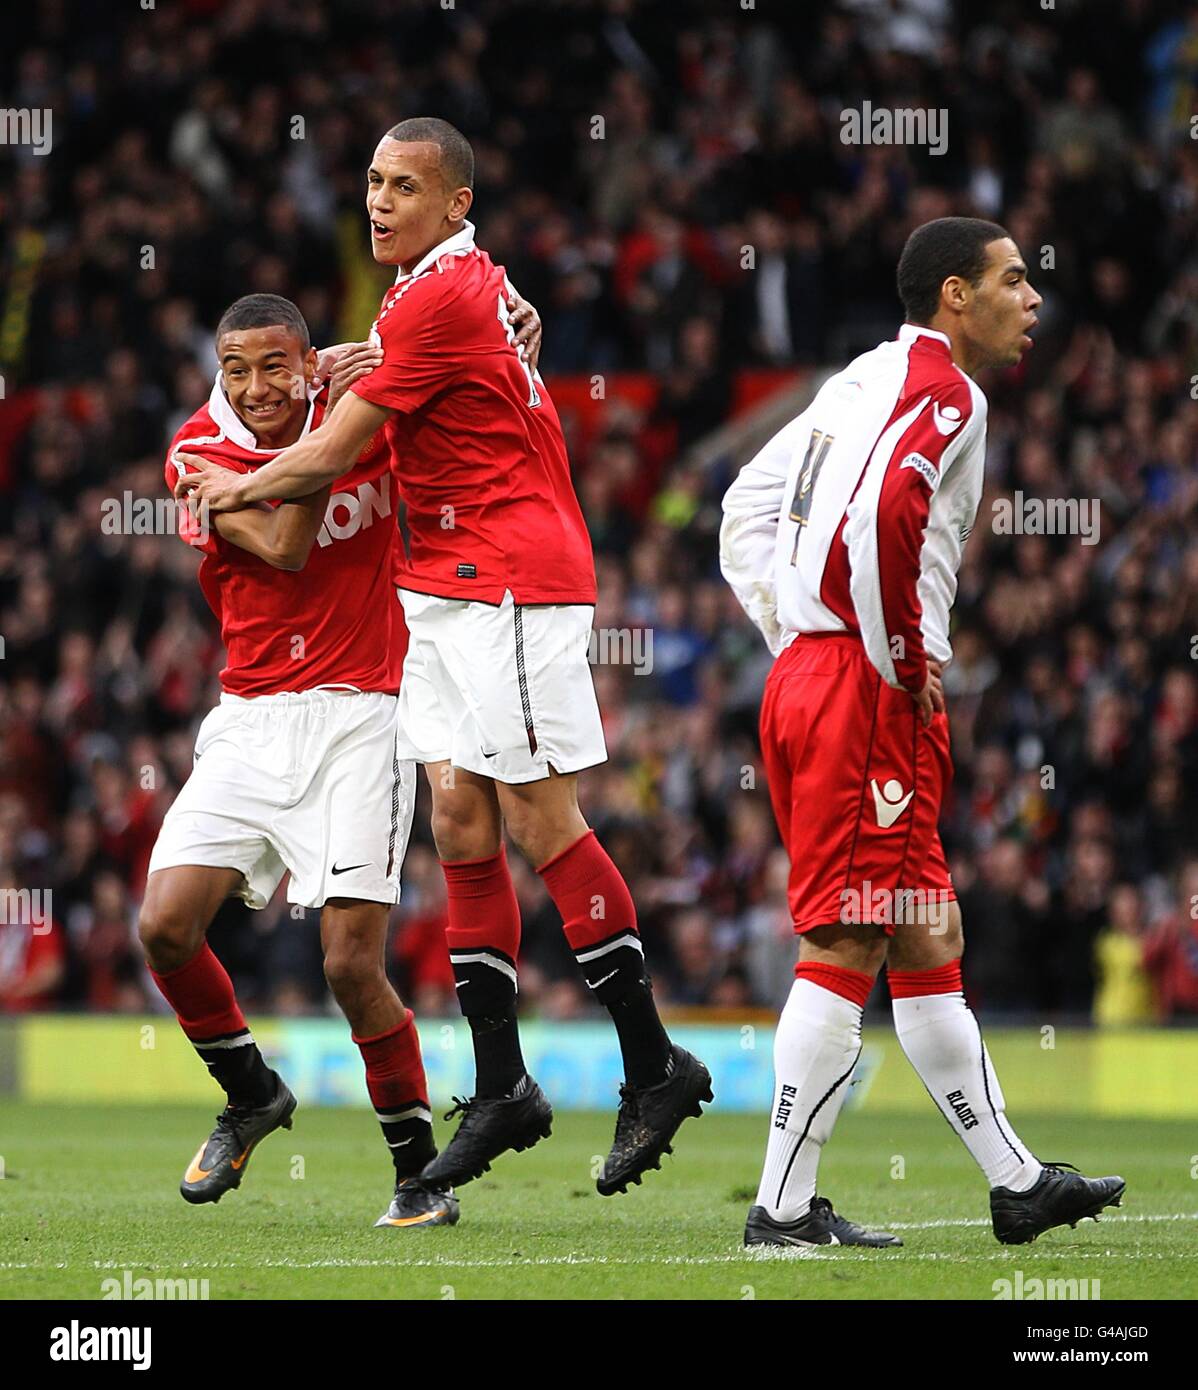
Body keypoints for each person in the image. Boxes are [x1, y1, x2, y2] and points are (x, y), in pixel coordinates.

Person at [175, 118, 712, 1198]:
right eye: (372, 181)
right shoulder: (444, 286)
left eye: (405, 186)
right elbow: (459, 344)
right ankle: (505, 1086)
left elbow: (330, 450)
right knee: (460, 818)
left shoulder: (438, 294)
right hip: (443, 586)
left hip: (510, 575)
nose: (378, 201)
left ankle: (653, 1064)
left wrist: (229, 488)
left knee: (536, 817)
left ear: (455, 203)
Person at [720, 217, 1124, 1248]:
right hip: (867, 691)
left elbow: (746, 507)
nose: (1030, 299)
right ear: (955, 294)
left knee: (925, 930)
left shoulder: (855, 381)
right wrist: (899, 656)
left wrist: (792, 630)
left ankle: (1016, 1179)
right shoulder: (948, 395)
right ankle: (780, 1207)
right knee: (849, 936)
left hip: (816, 678)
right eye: (1011, 282)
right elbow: (885, 517)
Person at [144, 287, 541, 1228]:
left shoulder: (367, 403)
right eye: (237, 368)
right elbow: (284, 543)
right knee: (164, 927)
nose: (256, 386)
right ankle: (251, 1094)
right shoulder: (193, 450)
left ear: (305, 355)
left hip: (366, 713)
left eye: (276, 365)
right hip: (249, 719)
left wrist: (511, 329)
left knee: (350, 965)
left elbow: (471, 390)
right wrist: (336, 422)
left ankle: (417, 1175)